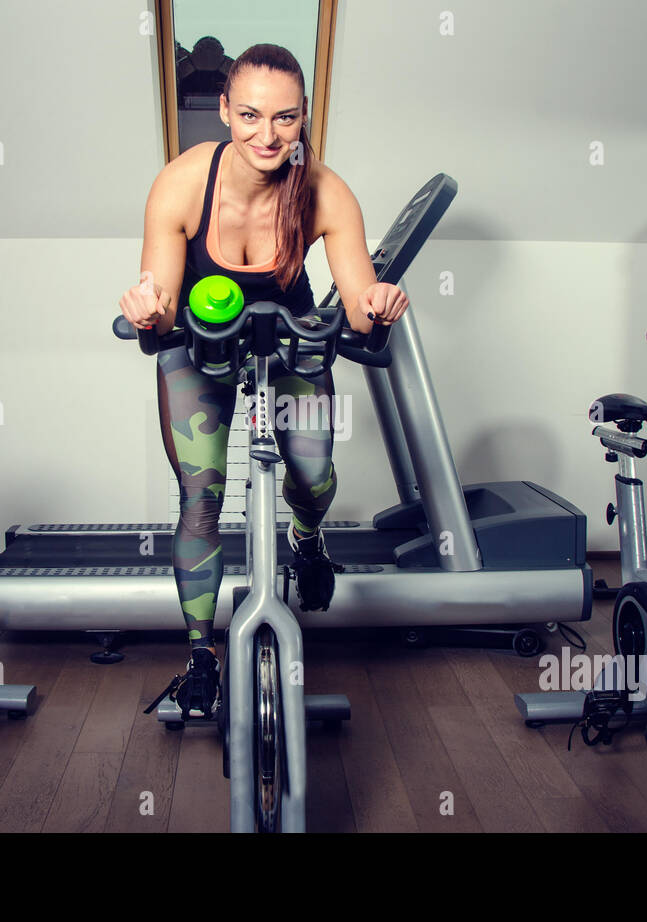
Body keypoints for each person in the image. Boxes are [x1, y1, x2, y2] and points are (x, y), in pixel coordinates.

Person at [119, 43, 408, 718]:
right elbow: (158, 294)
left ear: (303, 115)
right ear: (224, 110)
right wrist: (146, 309)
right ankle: (200, 654)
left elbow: (361, 300)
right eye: (249, 115)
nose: (266, 135)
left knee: (314, 477)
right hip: (199, 340)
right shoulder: (182, 183)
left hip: (292, 336)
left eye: (284, 118)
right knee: (201, 495)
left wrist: (378, 305)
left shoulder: (325, 192)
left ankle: (309, 542)